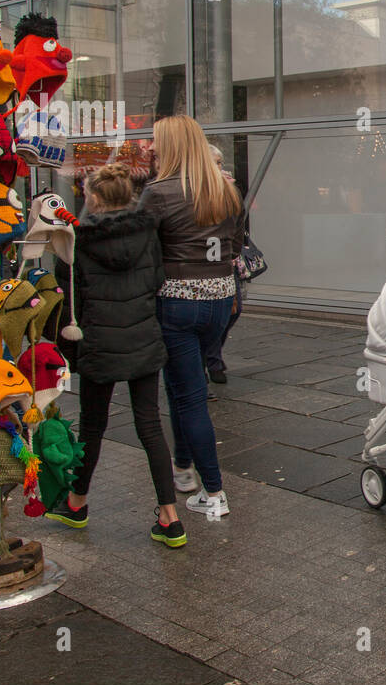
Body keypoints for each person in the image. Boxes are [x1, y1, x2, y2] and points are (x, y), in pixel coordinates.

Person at [47, 164, 185, 547]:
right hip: (142, 336)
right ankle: (170, 517)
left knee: (92, 426)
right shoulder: (149, 233)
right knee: (150, 425)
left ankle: (77, 503)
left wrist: (68, 351)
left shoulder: (77, 242)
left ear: (92, 197)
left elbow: (67, 301)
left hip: (98, 341)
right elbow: (157, 280)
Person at [141, 115, 245, 517]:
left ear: (171, 146)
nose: (150, 147)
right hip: (220, 297)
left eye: (155, 141)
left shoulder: (159, 193)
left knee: (190, 396)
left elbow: (142, 249)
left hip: (177, 301)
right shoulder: (225, 189)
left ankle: (214, 491)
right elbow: (235, 245)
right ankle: (183, 468)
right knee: (186, 387)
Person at [202, 144, 243, 387]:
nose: (220, 167)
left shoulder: (229, 189)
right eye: (215, 163)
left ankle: (212, 355)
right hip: (199, 265)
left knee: (232, 311)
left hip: (225, 262)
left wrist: (231, 253)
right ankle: (211, 362)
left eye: (220, 162)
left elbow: (238, 222)